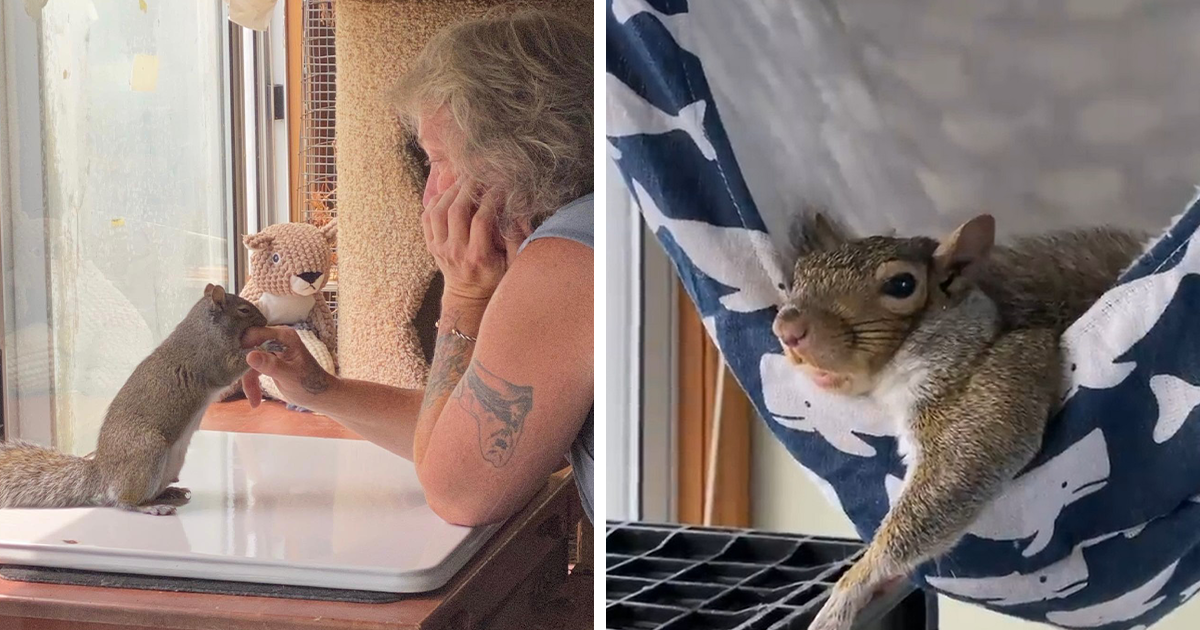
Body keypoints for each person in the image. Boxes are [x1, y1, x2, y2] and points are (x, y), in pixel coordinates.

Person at [238, 9, 593, 527]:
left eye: (436, 158)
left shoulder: (567, 263)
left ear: (511, 151)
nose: (428, 194)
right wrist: (321, 390)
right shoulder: (607, 223)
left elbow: (460, 492)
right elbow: (475, 439)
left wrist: (465, 297)